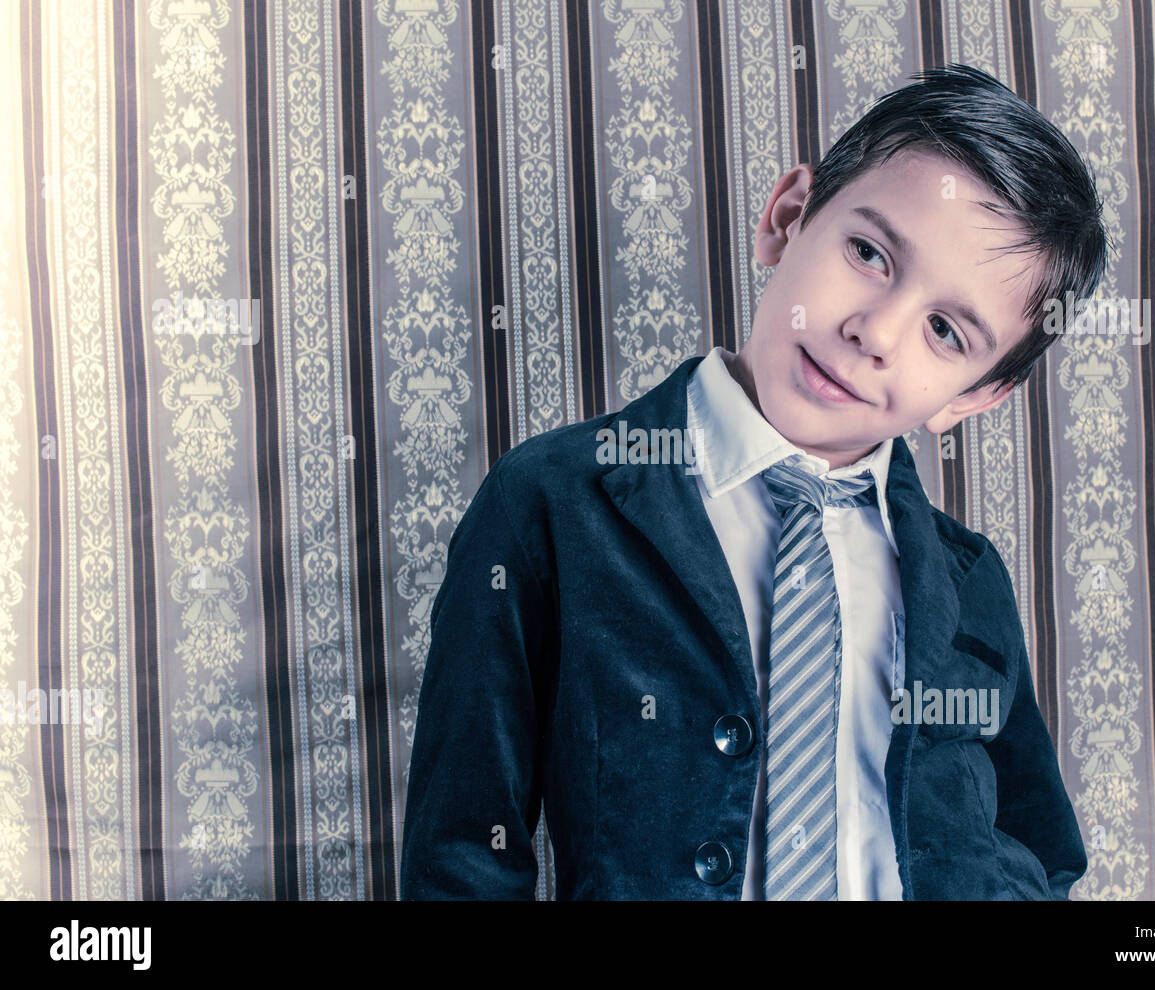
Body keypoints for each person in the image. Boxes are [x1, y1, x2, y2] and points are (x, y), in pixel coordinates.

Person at [400, 63, 1108, 900]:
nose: (873, 331)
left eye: (947, 331)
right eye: (870, 252)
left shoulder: (969, 578)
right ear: (787, 217)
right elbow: (462, 856)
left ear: (977, 395)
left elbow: (1037, 844)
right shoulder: (555, 503)